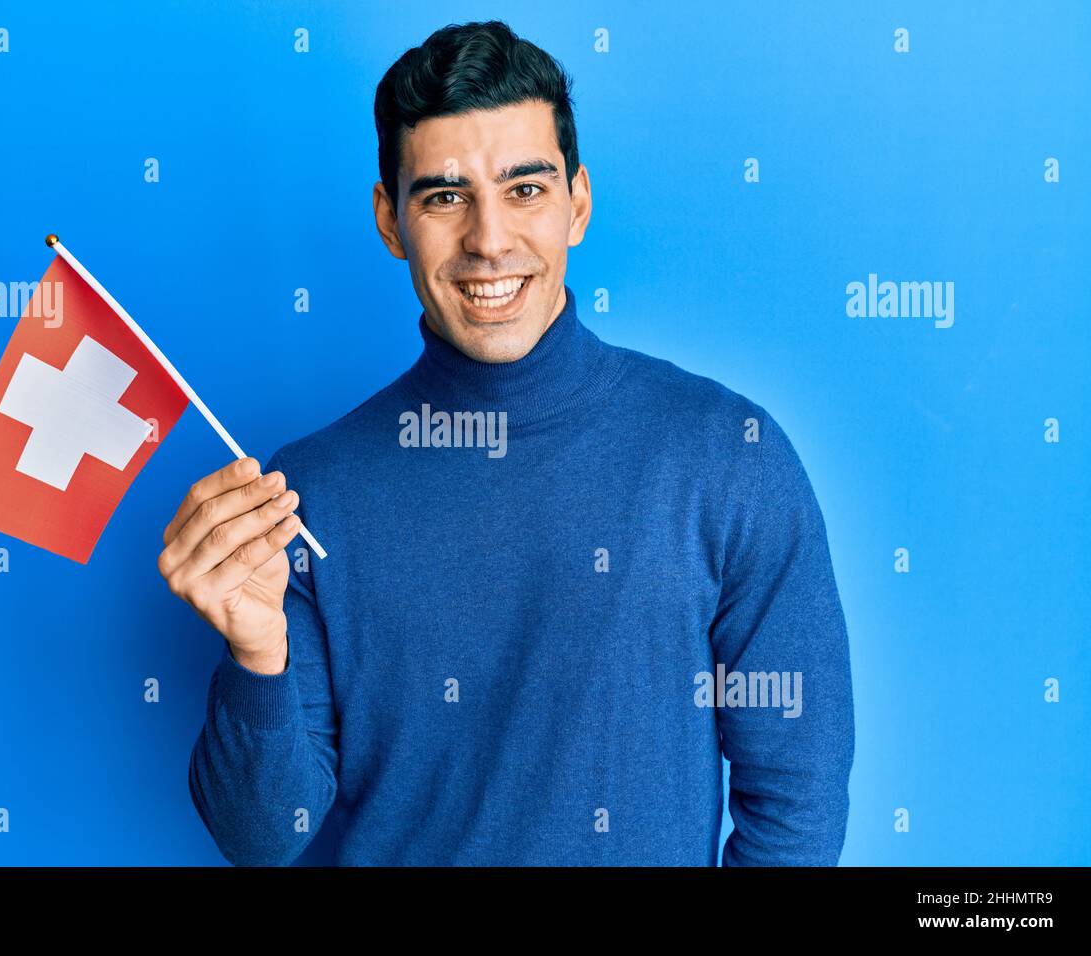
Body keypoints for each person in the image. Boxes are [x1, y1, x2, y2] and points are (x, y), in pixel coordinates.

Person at [159, 19, 854, 866]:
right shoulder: (304, 498)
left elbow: (799, 801)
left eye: (525, 189)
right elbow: (265, 840)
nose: (489, 240)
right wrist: (255, 653)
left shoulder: (728, 457)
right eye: (445, 197)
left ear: (578, 204)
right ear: (389, 220)